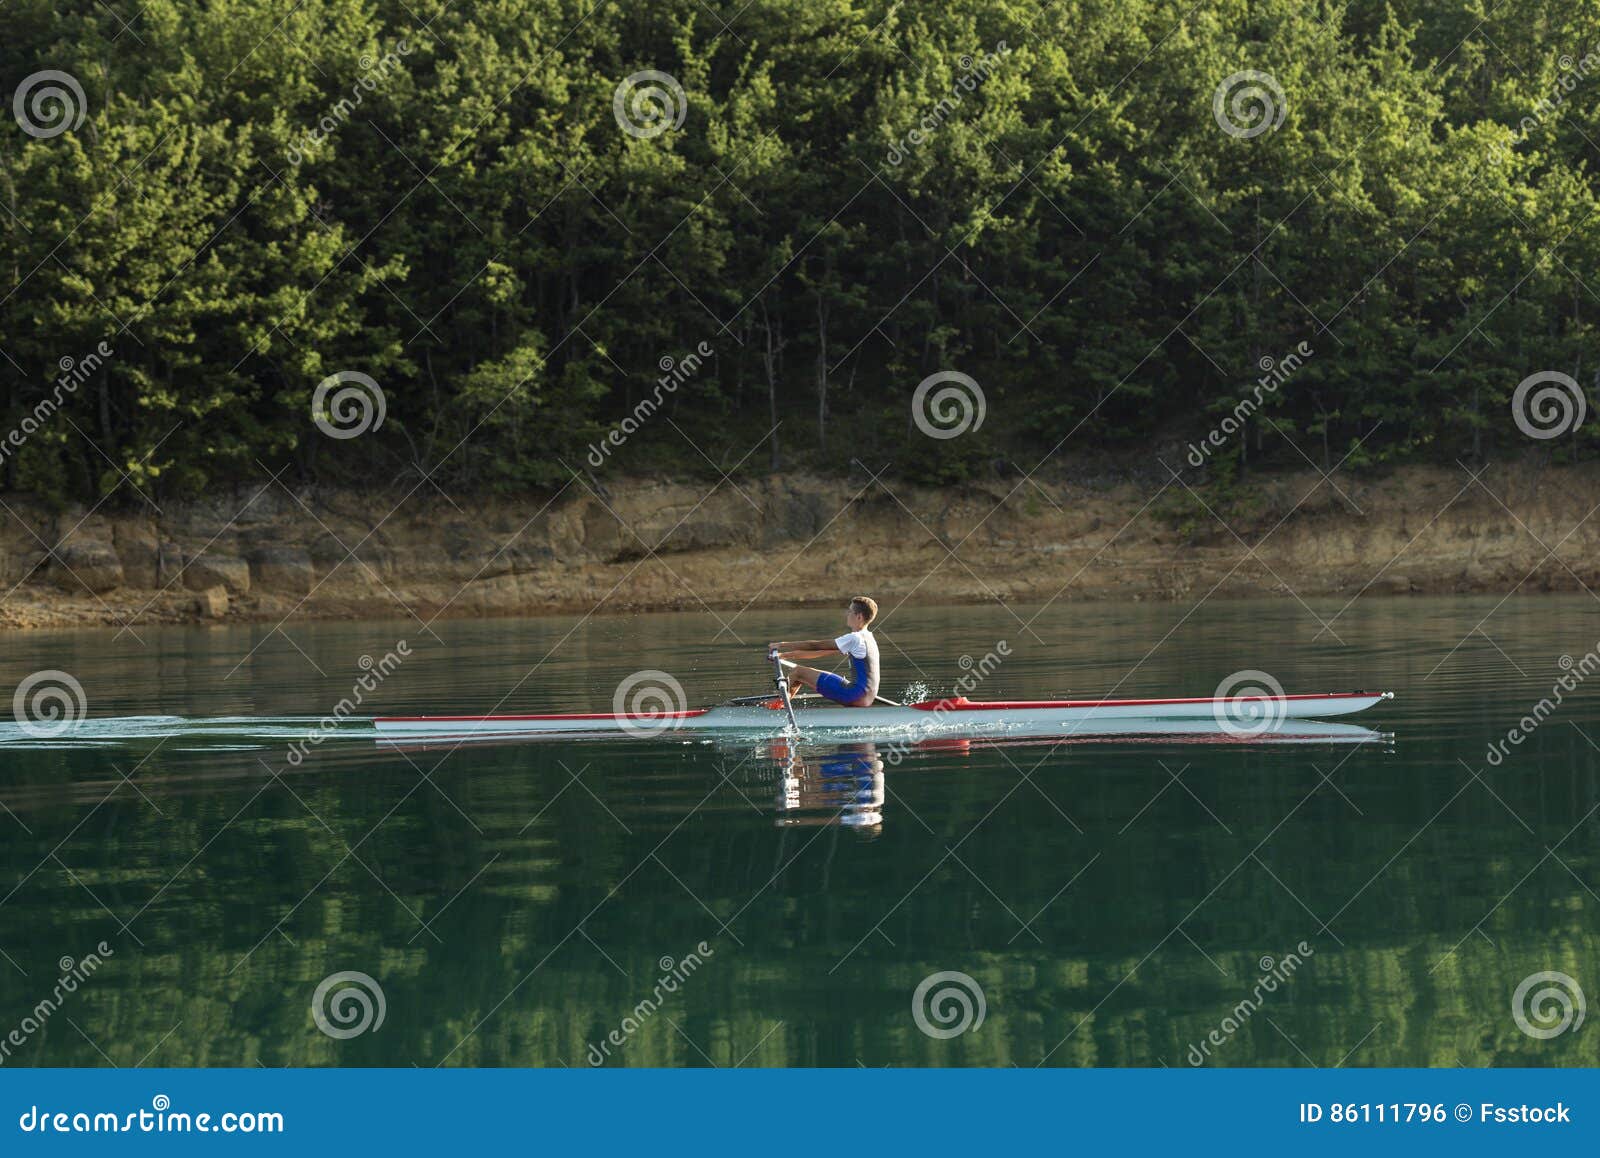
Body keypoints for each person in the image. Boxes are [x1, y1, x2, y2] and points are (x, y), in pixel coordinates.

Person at [768, 596, 881, 708]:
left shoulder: (855, 638)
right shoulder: (869, 638)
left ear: (859, 617)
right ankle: (781, 702)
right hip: (867, 697)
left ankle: (777, 706)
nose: (847, 614)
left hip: (854, 695)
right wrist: (784, 655)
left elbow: (815, 645)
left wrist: (780, 645)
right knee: (803, 673)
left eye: (850, 611)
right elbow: (822, 651)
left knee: (798, 672)